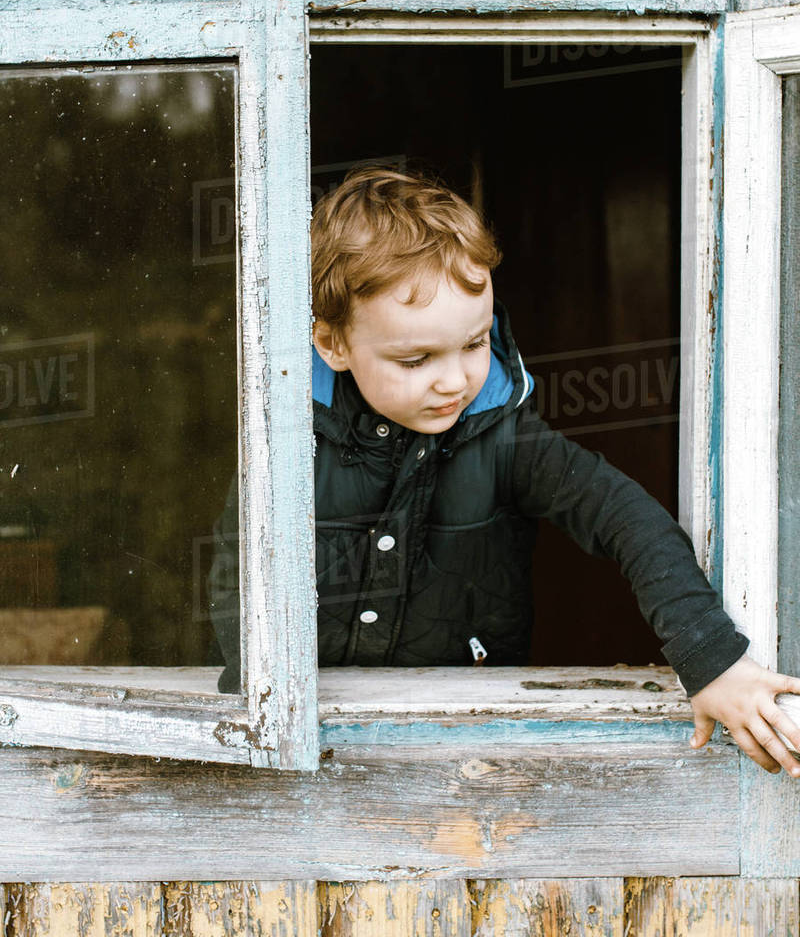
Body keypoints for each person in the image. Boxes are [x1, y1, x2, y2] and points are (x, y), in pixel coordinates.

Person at [209, 166, 800, 776]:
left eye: (474, 343)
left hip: (469, 745)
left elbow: (628, 520)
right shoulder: (285, 443)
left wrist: (712, 661)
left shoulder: (507, 439)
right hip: (313, 747)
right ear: (331, 345)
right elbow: (239, 579)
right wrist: (265, 707)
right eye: (415, 359)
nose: (455, 379)